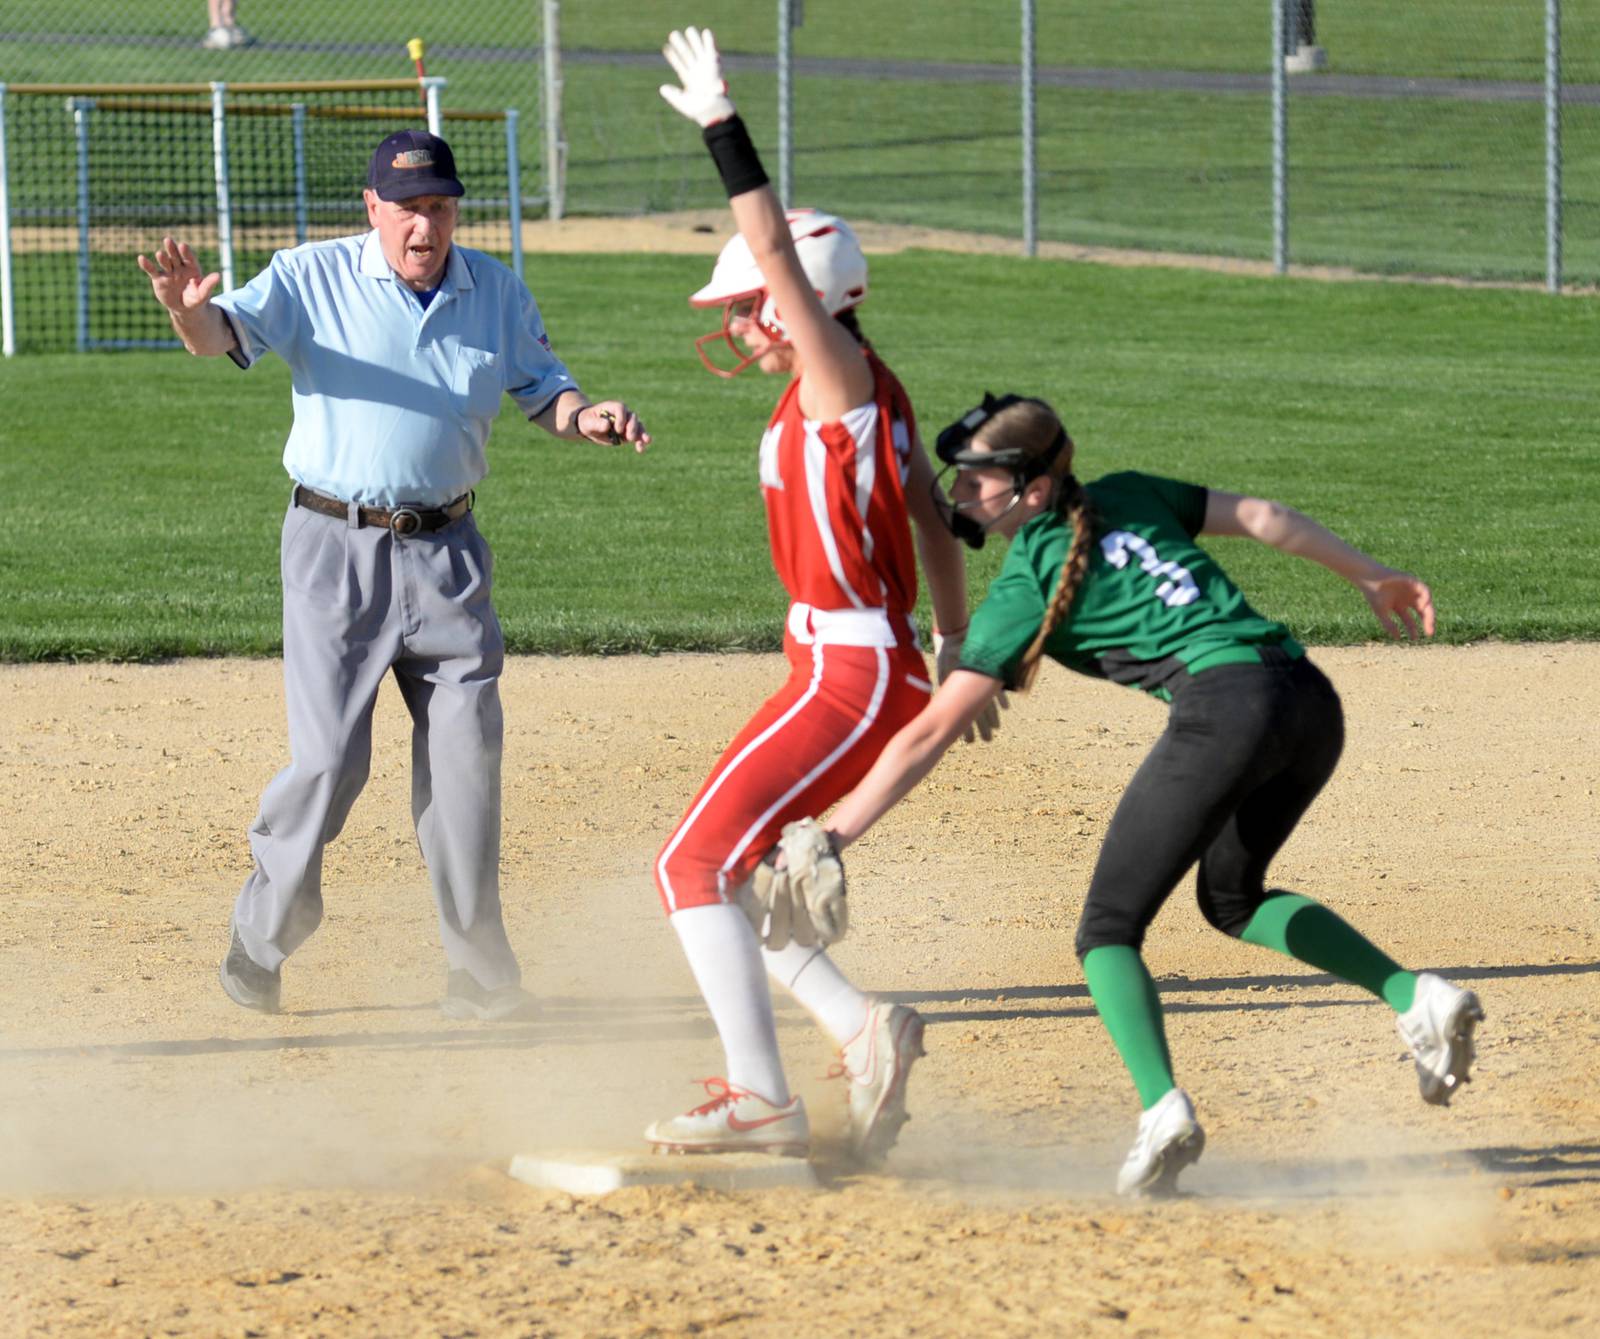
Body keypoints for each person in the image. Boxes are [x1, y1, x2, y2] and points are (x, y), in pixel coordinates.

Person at [820, 390, 1484, 1195]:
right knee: (1232, 899)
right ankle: (1417, 996)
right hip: (1308, 701)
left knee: (1107, 929)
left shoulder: (1028, 580)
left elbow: (929, 733)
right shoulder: (1130, 491)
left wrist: (833, 835)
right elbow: (1267, 515)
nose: (959, 495)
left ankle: (1162, 1107)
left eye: (974, 481)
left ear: (1031, 491)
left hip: (1225, 713)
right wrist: (1370, 574)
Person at [137, 128, 650, 1021]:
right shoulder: (310, 276)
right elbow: (221, 334)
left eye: (440, 207)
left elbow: (543, 391)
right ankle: (262, 934)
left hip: (449, 555)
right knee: (331, 762)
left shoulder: (494, 290)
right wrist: (188, 310)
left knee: (466, 765)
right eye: (408, 208)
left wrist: (588, 414)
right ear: (372, 207)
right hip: (336, 549)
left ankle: (478, 971)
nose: (426, 226)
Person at [646, 27, 996, 1164]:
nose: (740, 322)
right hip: (848, 665)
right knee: (739, 875)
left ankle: (762, 1097)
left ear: (810, 305)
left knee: (687, 866)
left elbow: (773, 253)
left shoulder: (837, 375)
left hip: (847, 671)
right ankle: (863, 1028)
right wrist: (953, 644)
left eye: (751, 308)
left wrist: (719, 125)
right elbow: (933, 521)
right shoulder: (862, 391)